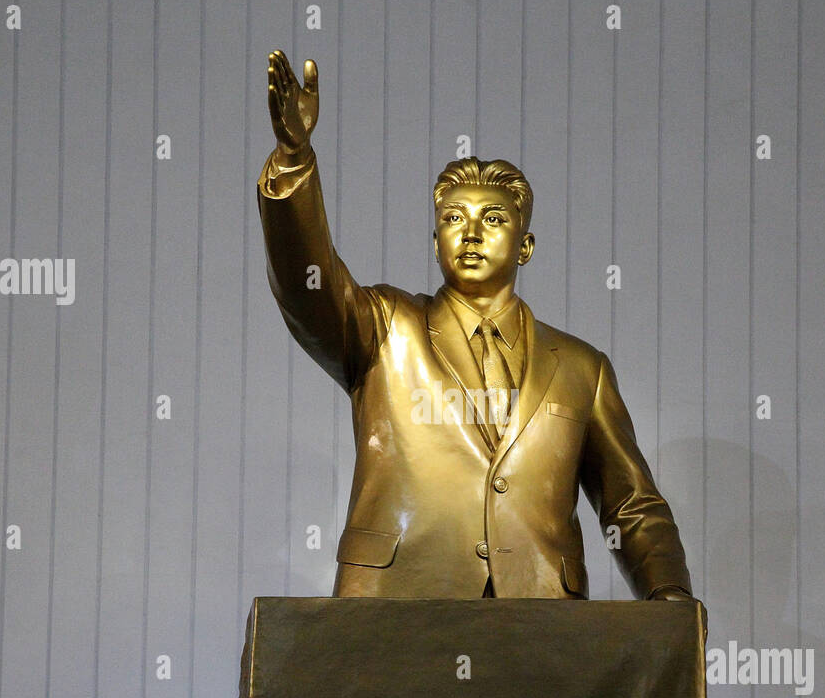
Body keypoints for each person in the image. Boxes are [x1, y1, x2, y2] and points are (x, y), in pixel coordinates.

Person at [260, 50, 693, 602]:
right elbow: (304, 284)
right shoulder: (383, 327)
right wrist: (294, 160)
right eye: (452, 219)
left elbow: (632, 504)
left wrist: (670, 599)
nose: (470, 233)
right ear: (435, 240)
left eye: (492, 219)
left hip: (540, 628)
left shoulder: (583, 368)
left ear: (525, 245)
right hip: (396, 613)